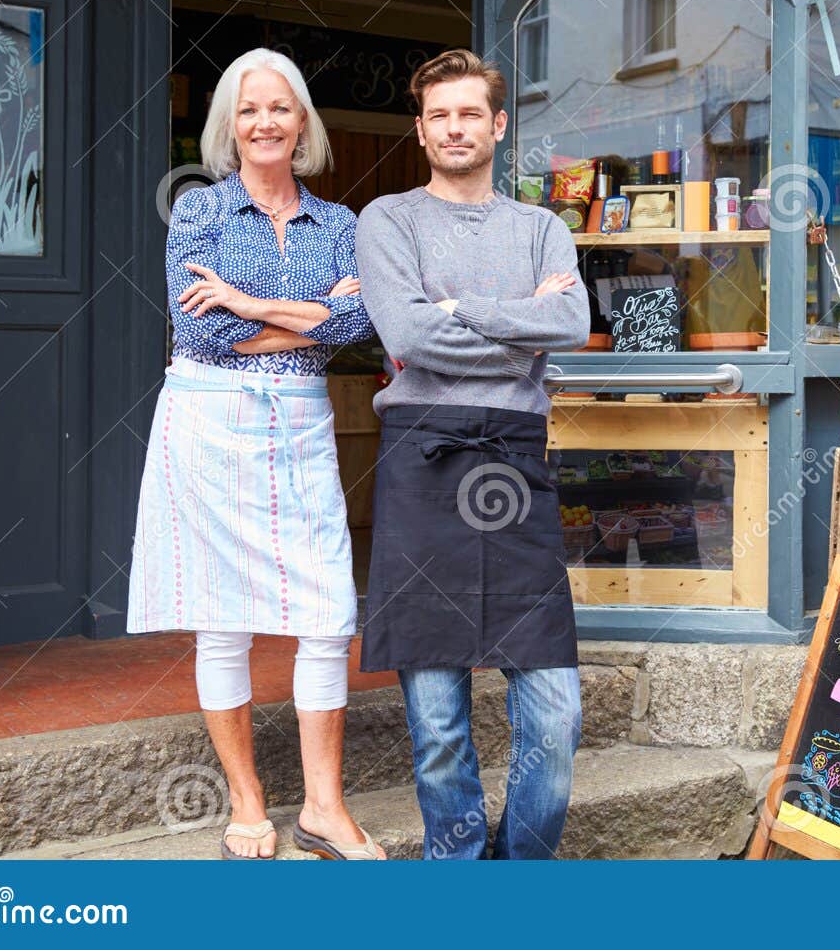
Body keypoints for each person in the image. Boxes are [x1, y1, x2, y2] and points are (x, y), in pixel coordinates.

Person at [129, 48, 384, 861]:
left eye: (280, 107)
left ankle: (323, 806)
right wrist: (309, 312)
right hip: (209, 418)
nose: (265, 122)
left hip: (300, 420)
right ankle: (245, 797)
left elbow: (362, 326)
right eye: (248, 109)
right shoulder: (200, 213)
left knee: (326, 612)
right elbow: (201, 330)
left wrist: (245, 301)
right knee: (224, 619)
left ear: (302, 121)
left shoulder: (342, 225)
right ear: (228, 126)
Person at [355, 49, 590, 859]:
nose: (455, 128)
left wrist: (462, 311)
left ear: (497, 126)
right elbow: (408, 335)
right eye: (439, 115)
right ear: (421, 131)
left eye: (470, 114)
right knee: (441, 725)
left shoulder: (543, 227)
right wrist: (517, 323)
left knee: (556, 716)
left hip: (516, 464)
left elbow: (567, 328)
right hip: (422, 464)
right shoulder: (388, 219)